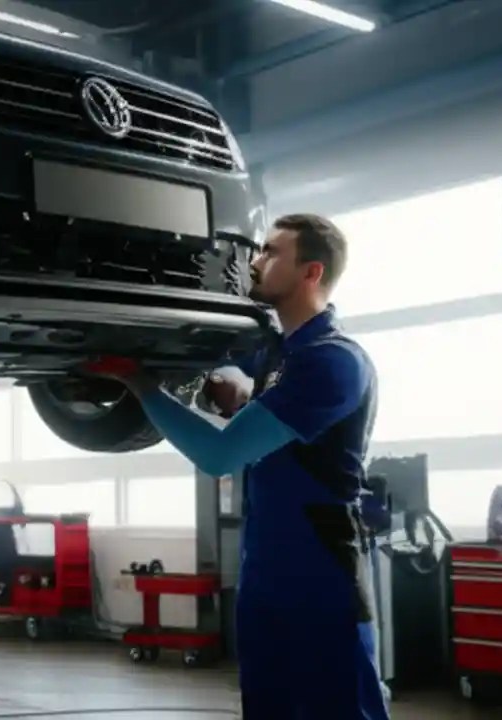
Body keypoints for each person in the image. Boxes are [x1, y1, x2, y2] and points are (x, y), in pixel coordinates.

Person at [97, 213, 386, 719]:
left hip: (320, 574)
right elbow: (231, 376)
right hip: (265, 566)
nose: (255, 261)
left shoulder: (333, 361)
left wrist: (140, 385)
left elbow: (219, 455)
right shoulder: (278, 352)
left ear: (311, 273)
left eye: (272, 252)